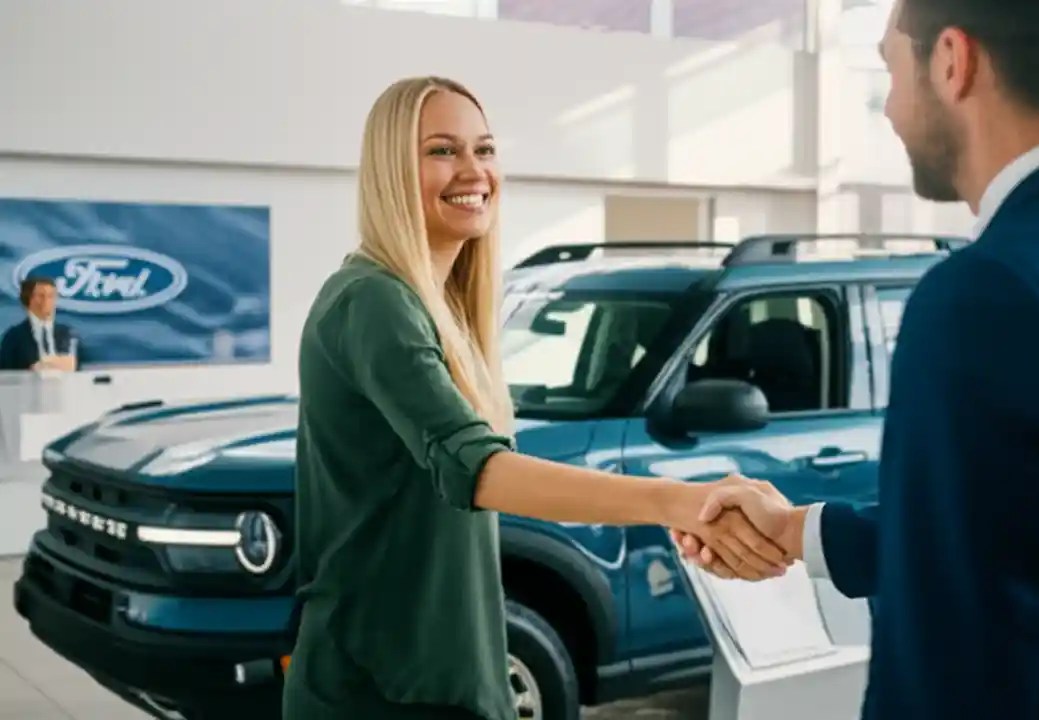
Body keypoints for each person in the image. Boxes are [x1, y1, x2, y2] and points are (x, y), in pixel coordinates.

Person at [678, 1, 1039, 718]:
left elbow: (946, 678)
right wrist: (802, 531)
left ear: (954, 62)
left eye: (889, 69)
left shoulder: (988, 297)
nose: (891, 110)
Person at [283, 76, 790, 720]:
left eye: (485, 149)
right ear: (390, 171)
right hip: (381, 690)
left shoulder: (439, 307)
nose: (473, 170)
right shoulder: (373, 300)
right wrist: (683, 501)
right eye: (443, 150)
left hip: (443, 681)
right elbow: (481, 470)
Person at [0, 276, 78, 372]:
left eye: (51, 296)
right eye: (41, 296)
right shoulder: (14, 336)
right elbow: (5, 374)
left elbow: (80, 368)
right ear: (28, 299)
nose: (47, 301)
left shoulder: (67, 333)